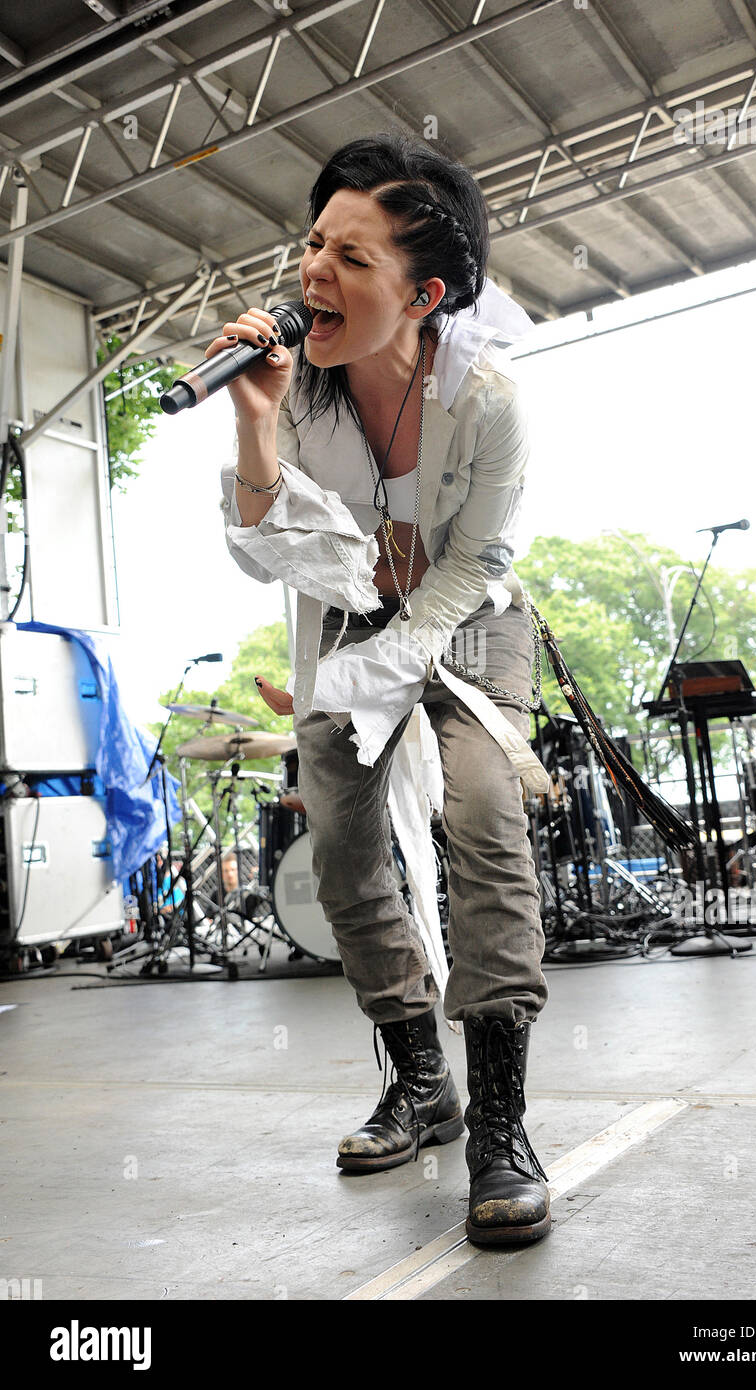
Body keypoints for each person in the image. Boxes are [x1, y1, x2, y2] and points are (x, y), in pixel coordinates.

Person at [209, 132, 552, 1246]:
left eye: (353, 259)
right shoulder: (295, 388)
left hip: (471, 618)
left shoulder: (488, 400)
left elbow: (476, 561)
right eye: (314, 242)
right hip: (347, 624)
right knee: (345, 851)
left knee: (484, 813)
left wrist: (409, 637)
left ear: (426, 293)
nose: (314, 272)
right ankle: (420, 1078)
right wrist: (255, 419)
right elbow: (265, 548)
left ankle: (500, 1122)